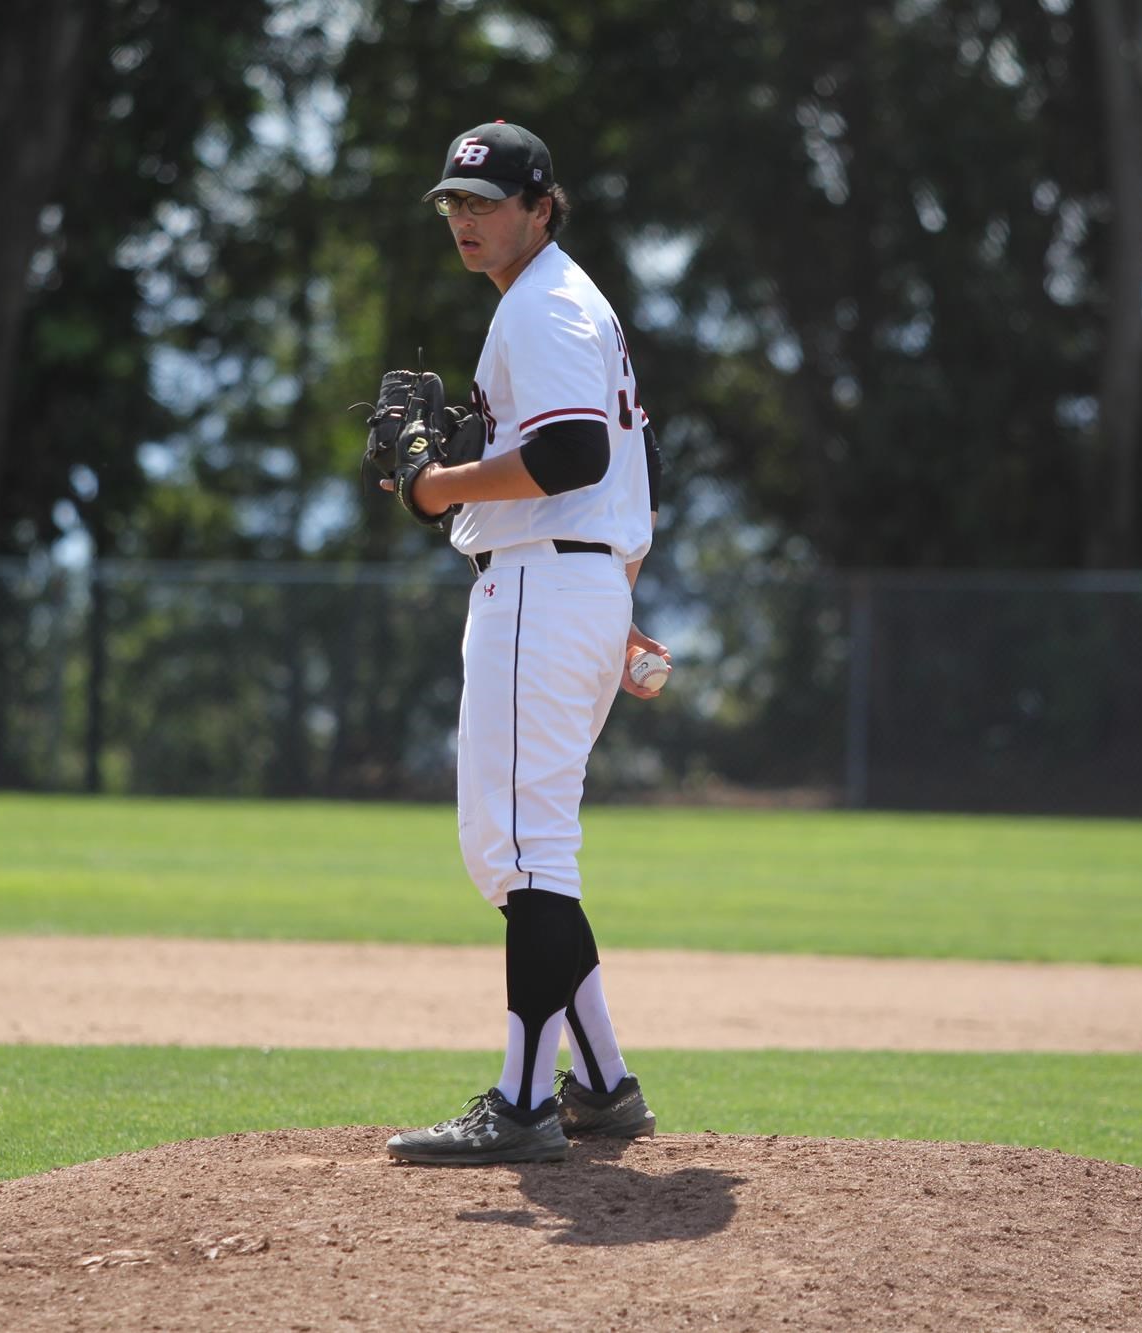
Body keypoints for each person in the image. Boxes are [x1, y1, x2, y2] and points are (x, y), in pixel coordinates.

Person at [383, 121, 671, 1166]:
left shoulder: (545, 304)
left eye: (486, 201)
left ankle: (521, 1102)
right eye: (455, 202)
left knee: (521, 855)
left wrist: (437, 487)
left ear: (542, 206)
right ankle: (599, 1082)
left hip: (546, 589)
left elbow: (571, 452)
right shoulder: (561, 302)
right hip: (575, 584)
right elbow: (614, 470)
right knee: (519, 854)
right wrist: (618, 600)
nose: (465, 219)